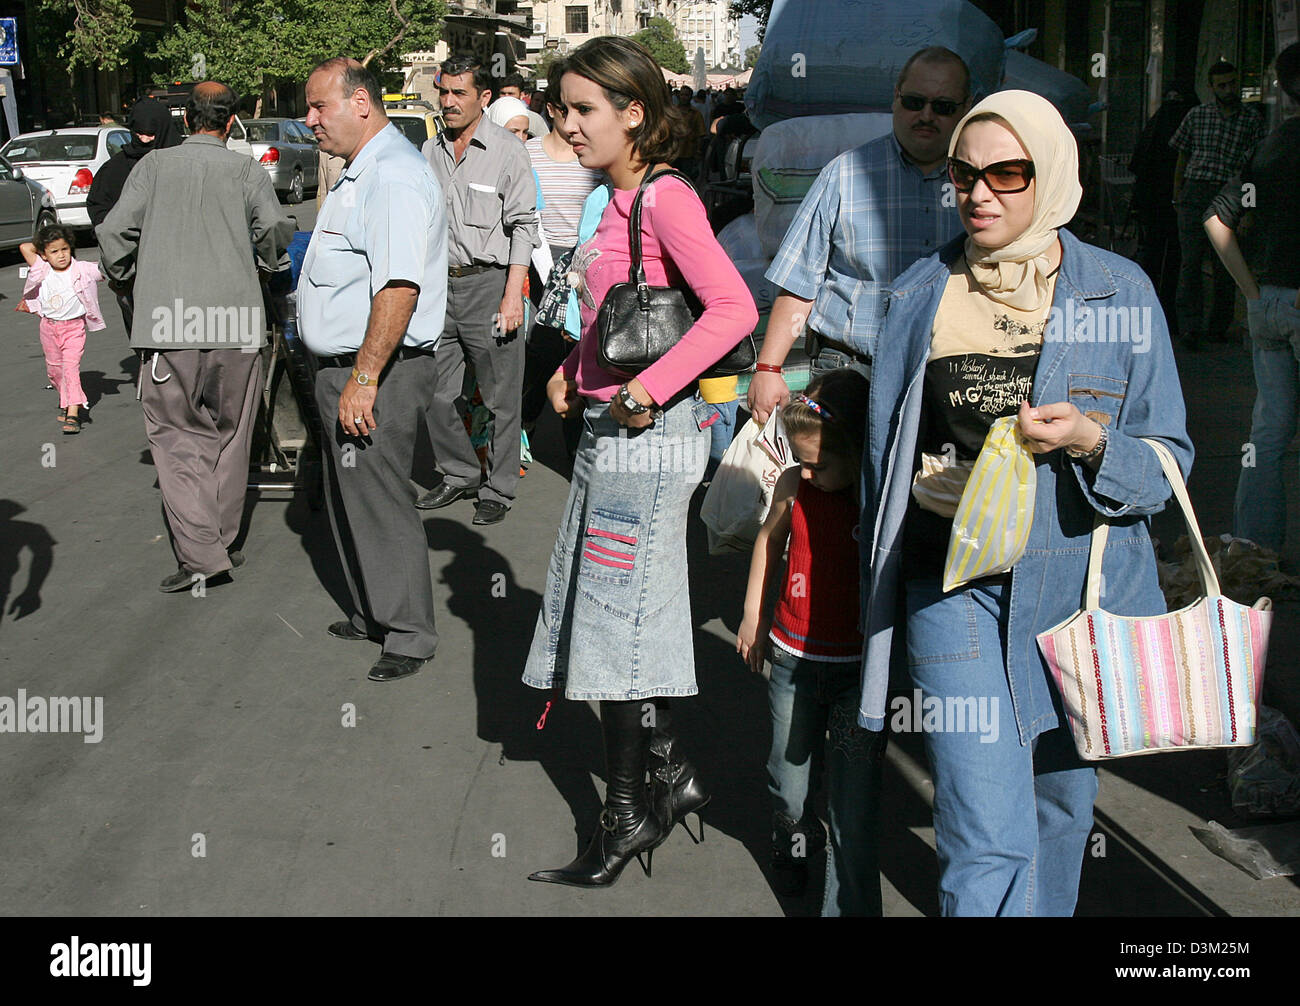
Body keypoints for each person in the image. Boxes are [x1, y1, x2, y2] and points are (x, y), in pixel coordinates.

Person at [857, 90, 1192, 916]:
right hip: (952, 588)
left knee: (1058, 812)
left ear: (1051, 176)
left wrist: (1089, 441)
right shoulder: (916, 295)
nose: (979, 193)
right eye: (965, 174)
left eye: (1008, 173)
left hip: (1075, 597)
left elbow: (1168, 466)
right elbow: (881, 458)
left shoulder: (1120, 295)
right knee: (982, 831)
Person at [522, 36, 758, 887]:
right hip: (604, 430)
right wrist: (568, 370)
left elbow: (732, 309)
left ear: (634, 113)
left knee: (614, 625)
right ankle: (669, 777)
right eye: (562, 109)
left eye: (585, 109)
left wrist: (650, 390)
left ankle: (626, 815)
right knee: (606, 617)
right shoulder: (613, 201)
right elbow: (620, 315)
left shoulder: (663, 200)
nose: (569, 124)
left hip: (644, 441)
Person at [98, 81, 294, 593]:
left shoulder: (153, 168)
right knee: (232, 434)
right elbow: (274, 227)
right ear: (230, 123)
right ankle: (221, 541)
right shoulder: (247, 169)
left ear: (186, 121)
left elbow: (115, 233)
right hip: (235, 323)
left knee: (178, 436)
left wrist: (123, 277)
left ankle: (202, 552)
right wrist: (269, 266)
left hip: (170, 324)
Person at [297, 57, 447, 682]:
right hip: (349, 367)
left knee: (381, 501)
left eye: (318, 107)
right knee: (352, 497)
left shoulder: (391, 176)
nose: (309, 121)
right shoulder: (363, 169)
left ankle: (408, 632)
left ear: (361, 103)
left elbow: (398, 288)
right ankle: (372, 612)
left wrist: (363, 378)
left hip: (377, 372)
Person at [749, 46, 972, 424]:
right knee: (837, 484)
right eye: (915, 102)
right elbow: (799, 281)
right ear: (896, 98)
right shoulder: (846, 175)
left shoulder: (982, 185)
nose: (926, 116)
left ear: (966, 108)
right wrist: (768, 368)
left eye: (944, 107)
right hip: (849, 375)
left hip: (949, 379)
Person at [736, 369, 886, 915]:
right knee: (788, 779)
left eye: (822, 464)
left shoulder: (877, 501)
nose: (809, 471)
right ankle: (796, 836)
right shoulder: (795, 484)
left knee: (853, 801)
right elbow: (768, 541)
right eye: (801, 459)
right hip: (792, 658)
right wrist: (752, 614)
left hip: (857, 672)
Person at [416, 56, 538, 526]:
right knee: (435, 390)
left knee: (500, 397)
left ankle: (499, 488)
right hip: (439, 288)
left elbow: (524, 227)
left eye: (458, 93)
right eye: (443, 92)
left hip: (490, 286)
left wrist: (512, 297)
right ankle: (460, 471)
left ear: (484, 98)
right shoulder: (429, 151)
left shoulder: (509, 150)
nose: (447, 102)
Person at [1204, 42, 1300, 553]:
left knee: (1269, 433)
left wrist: (1252, 293)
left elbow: (1216, 218)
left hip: (1268, 305)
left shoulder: (1268, 147)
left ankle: (1253, 549)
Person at [520, 60, 603, 456]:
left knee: (583, 346)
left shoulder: (596, 156)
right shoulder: (527, 154)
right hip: (542, 264)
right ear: (551, 109)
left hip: (587, 265)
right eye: (566, 110)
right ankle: (526, 423)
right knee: (544, 349)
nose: (574, 122)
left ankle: (578, 445)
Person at [1170, 61, 1267, 349]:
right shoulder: (1197, 115)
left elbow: (1254, 169)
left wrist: (1249, 208)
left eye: (1232, 83)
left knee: (1225, 264)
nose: (1228, 90)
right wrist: (1178, 193)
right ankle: (1189, 327)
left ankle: (1217, 327)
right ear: (1211, 87)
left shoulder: (1251, 120)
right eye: (1221, 85)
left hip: (1230, 190)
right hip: (1196, 188)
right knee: (1190, 263)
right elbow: (1182, 156)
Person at [87, 97, 184, 336]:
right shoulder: (114, 170)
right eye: (138, 133)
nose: (144, 139)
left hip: (183, 269)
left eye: (151, 134)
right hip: (135, 272)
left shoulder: (185, 164)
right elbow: (101, 214)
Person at [17, 225, 107, 435]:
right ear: (45, 254)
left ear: (71, 248)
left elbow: (106, 268)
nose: (61, 255)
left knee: (70, 369)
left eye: (65, 249)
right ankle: (66, 402)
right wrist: (43, 248)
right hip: (49, 327)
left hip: (74, 328)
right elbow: (25, 247)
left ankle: (73, 413)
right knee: (55, 371)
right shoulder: (42, 268)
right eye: (54, 251)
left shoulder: (82, 269)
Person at [1127, 86, 1195, 335]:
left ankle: (1148, 311)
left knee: (1153, 256)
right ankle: (1171, 314)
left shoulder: (1156, 127)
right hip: (1179, 204)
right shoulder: (1187, 125)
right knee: (1177, 259)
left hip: (1153, 204)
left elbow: (1139, 164)